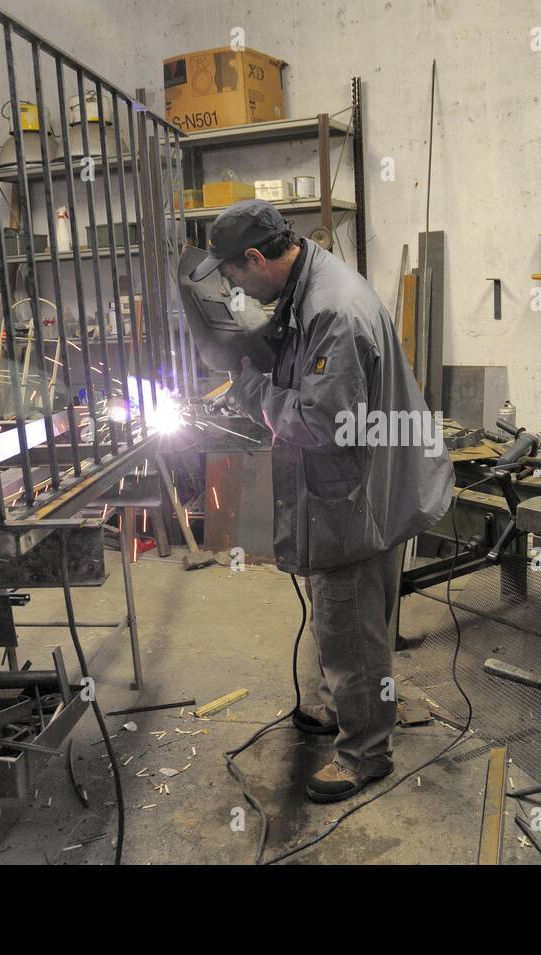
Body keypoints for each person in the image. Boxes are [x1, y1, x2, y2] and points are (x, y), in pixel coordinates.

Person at [190, 200, 454, 803]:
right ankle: (341, 708)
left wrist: (251, 388)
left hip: (356, 494)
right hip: (356, 482)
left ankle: (365, 754)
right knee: (342, 616)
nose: (231, 285)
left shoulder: (332, 310)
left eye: (232, 274)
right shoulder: (312, 280)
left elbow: (323, 421)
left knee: (351, 624)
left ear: (256, 258)